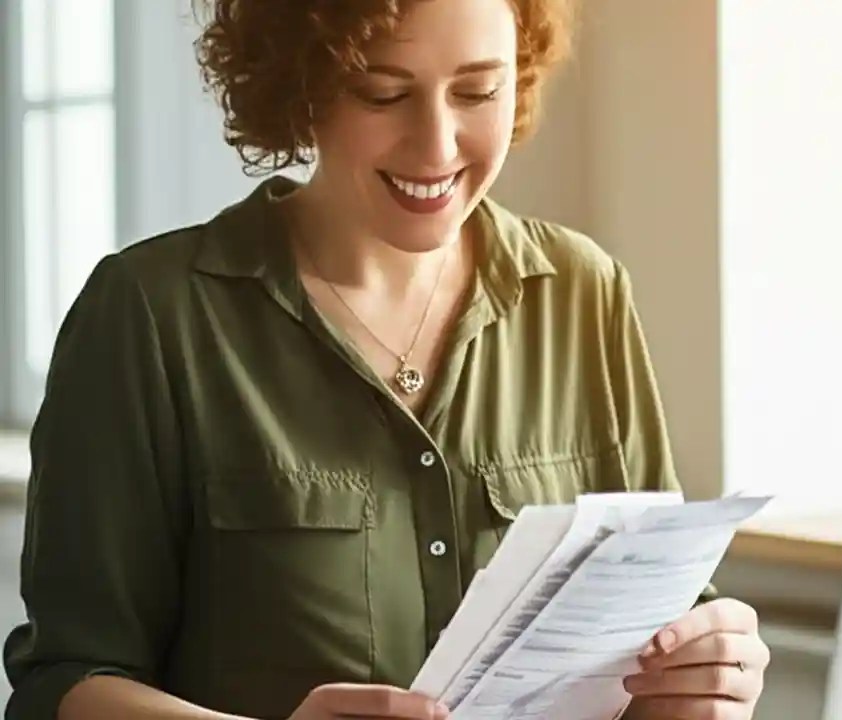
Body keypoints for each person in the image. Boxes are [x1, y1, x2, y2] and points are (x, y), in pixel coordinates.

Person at [2, 0, 771, 718]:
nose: (437, 146)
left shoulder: (582, 291)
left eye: (478, 92)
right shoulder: (151, 314)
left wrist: (713, 667)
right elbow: (62, 683)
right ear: (301, 86)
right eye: (380, 94)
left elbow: (665, 615)